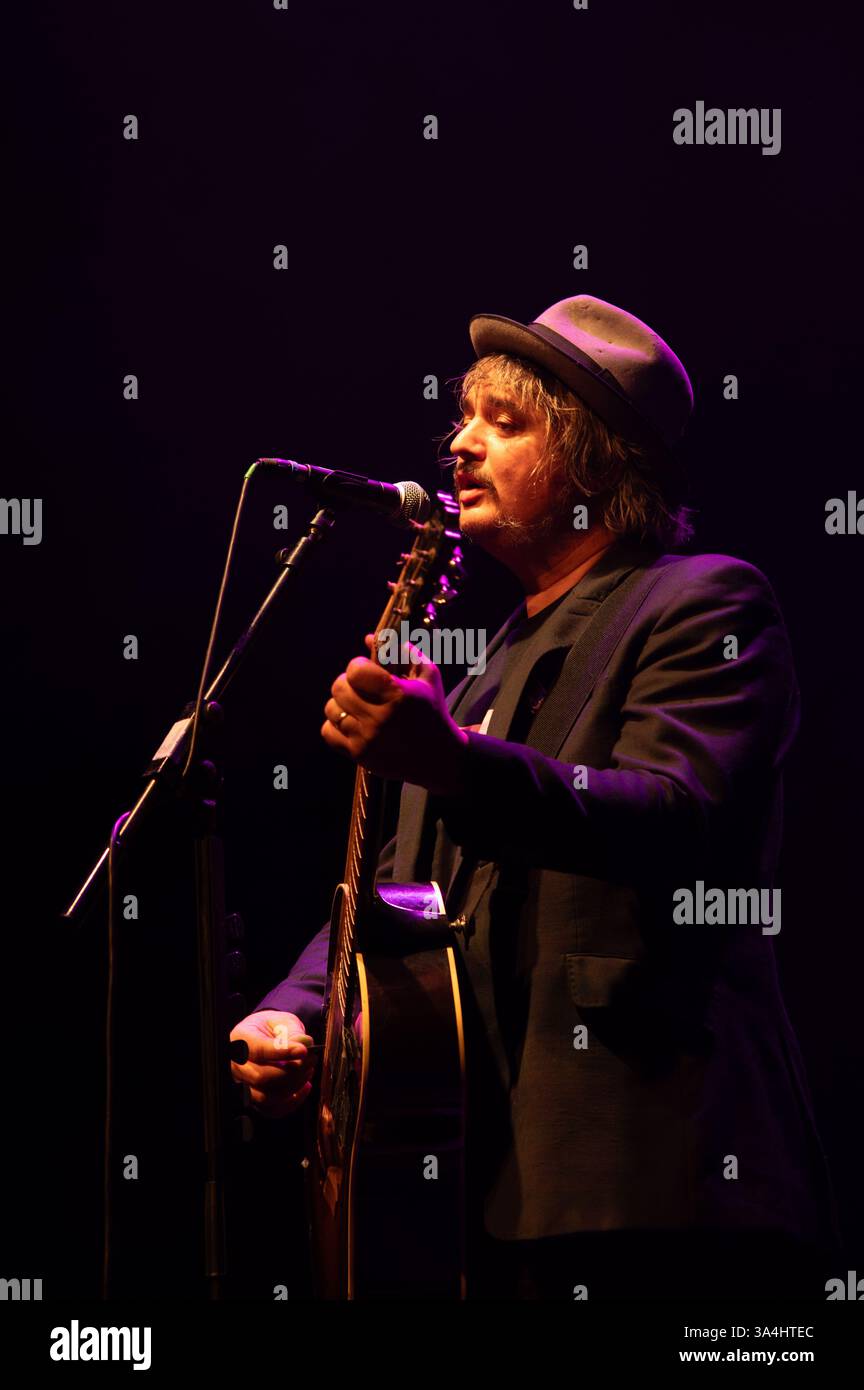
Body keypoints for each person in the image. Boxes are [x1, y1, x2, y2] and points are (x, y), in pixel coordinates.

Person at [230, 293, 839, 1300]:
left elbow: (676, 817)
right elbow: (395, 893)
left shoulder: (706, 603)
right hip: (487, 1187)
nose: (459, 449)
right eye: (463, 422)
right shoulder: (480, 677)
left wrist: (457, 762)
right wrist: (296, 1012)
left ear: (597, 463)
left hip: (653, 1175)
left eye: (503, 424)